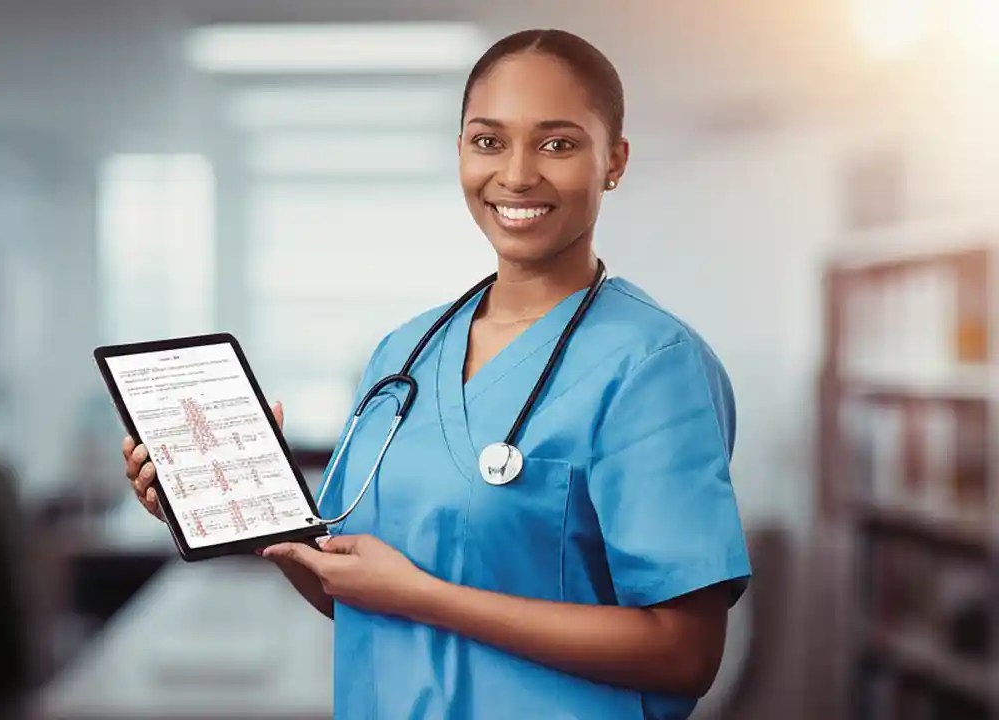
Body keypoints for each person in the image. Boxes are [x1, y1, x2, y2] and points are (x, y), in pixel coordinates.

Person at [123, 28, 751, 720]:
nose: (516, 174)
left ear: (615, 161)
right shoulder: (404, 354)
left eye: (557, 143)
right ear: (460, 153)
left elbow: (686, 652)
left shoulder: (653, 366)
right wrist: (246, 509)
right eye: (488, 141)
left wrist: (424, 595)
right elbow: (354, 590)